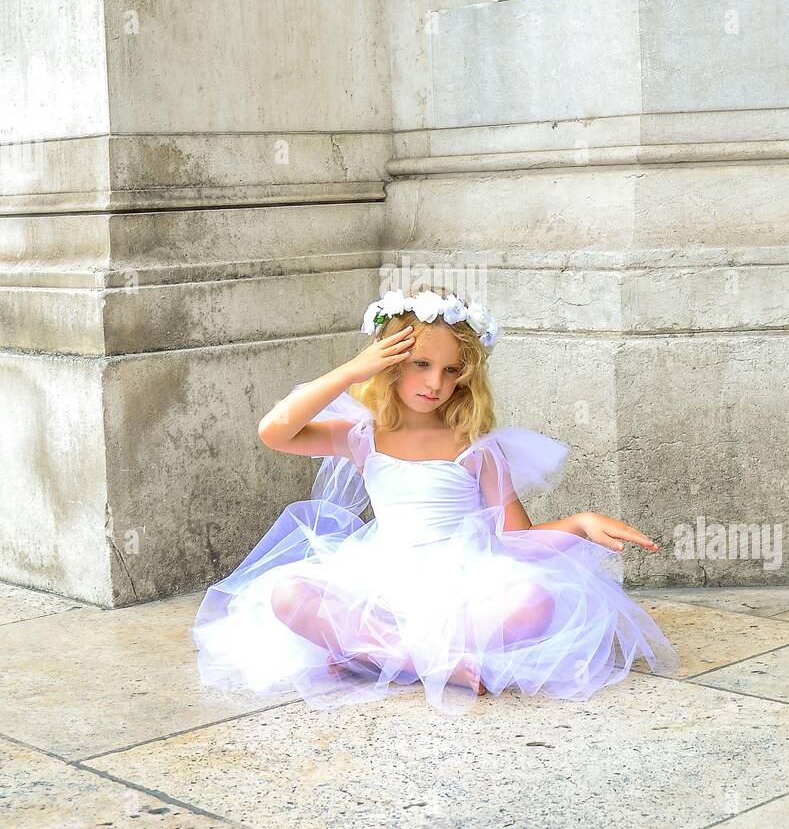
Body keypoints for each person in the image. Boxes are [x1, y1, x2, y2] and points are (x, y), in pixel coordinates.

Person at [191, 286, 680, 715]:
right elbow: (274, 431)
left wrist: (578, 523)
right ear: (390, 361)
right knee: (287, 594)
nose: (435, 384)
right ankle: (417, 660)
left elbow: (515, 539)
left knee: (535, 603)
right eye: (420, 365)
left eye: (451, 371)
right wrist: (352, 370)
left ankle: (374, 656)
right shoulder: (364, 436)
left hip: (463, 586)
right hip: (380, 582)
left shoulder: (477, 449)